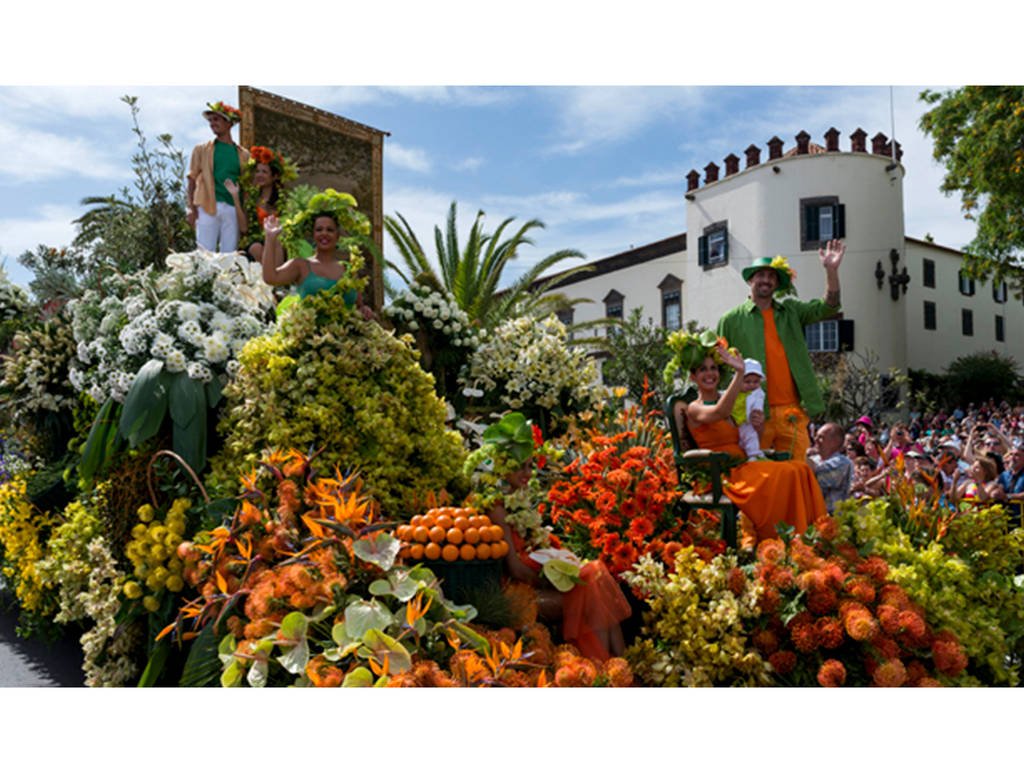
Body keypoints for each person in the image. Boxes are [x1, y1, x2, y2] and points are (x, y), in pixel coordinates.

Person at [682, 340, 826, 545]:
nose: (710, 373)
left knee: (801, 469)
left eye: (713, 368)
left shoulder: (731, 403)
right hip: (722, 474)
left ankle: (811, 537)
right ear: (693, 377)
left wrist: (758, 427)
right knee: (787, 473)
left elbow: (748, 440)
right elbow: (720, 412)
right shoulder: (695, 408)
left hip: (744, 465)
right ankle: (778, 541)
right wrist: (740, 374)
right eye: (702, 370)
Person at [717, 240, 845, 461]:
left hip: (791, 412)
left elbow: (829, 306)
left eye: (772, 277)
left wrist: (831, 270)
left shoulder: (791, 311)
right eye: (761, 275)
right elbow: (719, 367)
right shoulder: (730, 320)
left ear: (777, 284)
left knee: (799, 471)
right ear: (750, 280)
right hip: (753, 413)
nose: (766, 280)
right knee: (757, 473)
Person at [261, 191, 375, 319]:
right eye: (319, 229)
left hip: (347, 335)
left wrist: (365, 310)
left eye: (330, 230)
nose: (324, 233)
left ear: (337, 236)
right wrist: (270, 238)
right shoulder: (301, 265)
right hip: (309, 335)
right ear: (313, 235)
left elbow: (359, 306)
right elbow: (270, 277)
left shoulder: (349, 271)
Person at [187, 101, 250, 253]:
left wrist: (245, 212)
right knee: (204, 254)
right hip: (207, 205)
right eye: (210, 121)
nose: (212, 124)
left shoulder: (244, 154)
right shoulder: (201, 149)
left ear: (228, 123)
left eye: (216, 120)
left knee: (229, 255)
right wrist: (190, 208)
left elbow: (247, 185)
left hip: (233, 208)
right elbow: (192, 178)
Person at [227, 145, 297, 263]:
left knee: (277, 244)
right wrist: (235, 197)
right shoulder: (252, 199)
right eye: (258, 171)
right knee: (257, 248)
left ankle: (278, 280)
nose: (259, 175)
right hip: (256, 243)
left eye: (264, 172)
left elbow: (289, 227)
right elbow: (244, 228)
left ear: (274, 176)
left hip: (276, 242)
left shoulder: (284, 200)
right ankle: (266, 279)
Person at [809, 422, 853, 513]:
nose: (815, 439)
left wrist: (798, 451)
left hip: (833, 520)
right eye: (816, 436)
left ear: (835, 442)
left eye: (821, 437)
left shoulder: (842, 463)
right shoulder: (813, 459)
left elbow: (815, 473)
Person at [731, 358, 766, 461]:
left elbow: (758, 404)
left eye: (756, 382)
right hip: (734, 423)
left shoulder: (757, 393)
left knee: (751, 436)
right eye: (747, 382)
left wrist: (756, 412)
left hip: (746, 422)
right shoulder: (733, 391)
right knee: (740, 441)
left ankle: (753, 455)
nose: (752, 385)